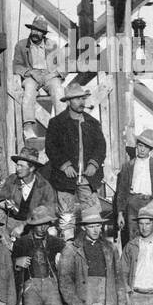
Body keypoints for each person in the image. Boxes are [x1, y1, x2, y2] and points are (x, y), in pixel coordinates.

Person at [45, 83, 106, 216]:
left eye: (83, 98)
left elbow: (101, 146)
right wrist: (64, 165)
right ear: (68, 101)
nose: (81, 102)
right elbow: (51, 148)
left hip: (87, 178)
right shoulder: (57, 123)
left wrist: (93, 163)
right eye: (77, 99)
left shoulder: (93, 123)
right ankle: (67, 238)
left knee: (93, 216)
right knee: (66, 218)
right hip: (65, 179)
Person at [113, 128, 153, 239]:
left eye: (146, 147)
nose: (142, 149)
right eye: (140, 145)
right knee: (134, 240)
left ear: (150, 149)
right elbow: (121, 192)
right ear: (136, 146)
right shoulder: (127, 166)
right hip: (133, 205)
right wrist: (120, 214)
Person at [9, 15, 64, 131]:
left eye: (39, 31)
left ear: (44, 33)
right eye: (33, 29)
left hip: (49, 75)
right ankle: (28, 125)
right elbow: (16, 65)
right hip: (31, 76)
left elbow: (63, 65)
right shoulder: (21, 45)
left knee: (58, 90)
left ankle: (63, 122)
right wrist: (30, 72)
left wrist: (53, 74)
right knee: (28, 90)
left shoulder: (52, 45)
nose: (35, 33)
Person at [0, 141, 58, 235]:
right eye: (17, 165)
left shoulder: (44, 186)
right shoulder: (12, 180)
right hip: (12, 223)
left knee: (52, 232)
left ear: (32, 168)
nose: (17, 168)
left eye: (21, 166)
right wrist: (5, 204)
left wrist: (23, 226)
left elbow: (49, 212)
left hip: (35, 225)